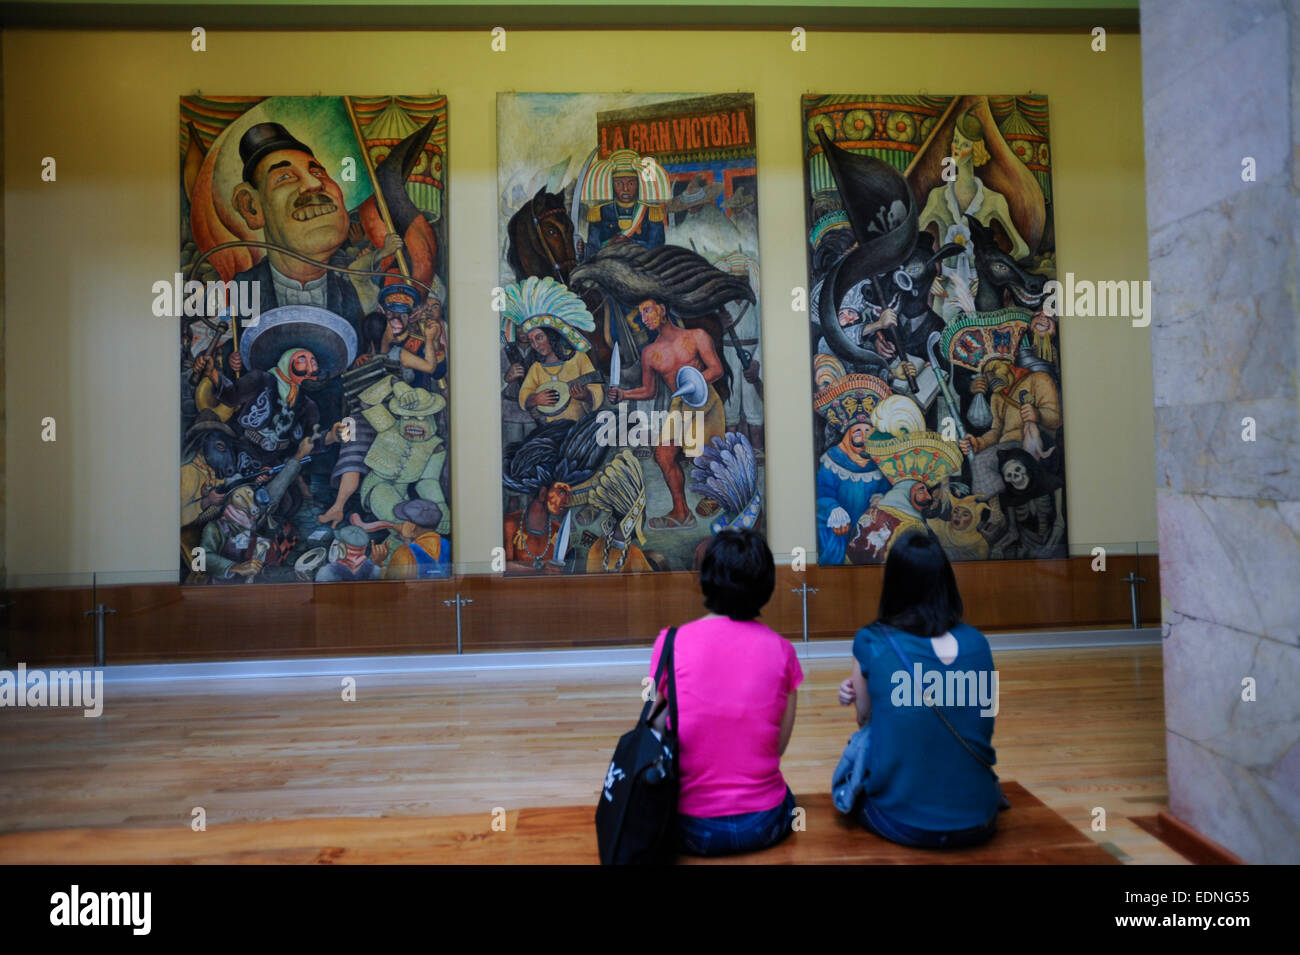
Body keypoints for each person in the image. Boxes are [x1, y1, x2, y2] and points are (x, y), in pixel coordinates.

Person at [836, 530, 1001, 848]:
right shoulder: (979, 644)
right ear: (945, 581)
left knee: (859, 754)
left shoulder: (872, 641)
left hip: (903, 821)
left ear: (893, 583)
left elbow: (865, 721)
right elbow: (984, 721)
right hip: (980, 817)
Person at [648, 529, 802, 857]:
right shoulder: (783, 651)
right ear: (766, 585)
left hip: (689, 827)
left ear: (707, 579)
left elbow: (652, 729)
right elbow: (779, 748)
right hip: (763, 823)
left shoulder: (669, 643)